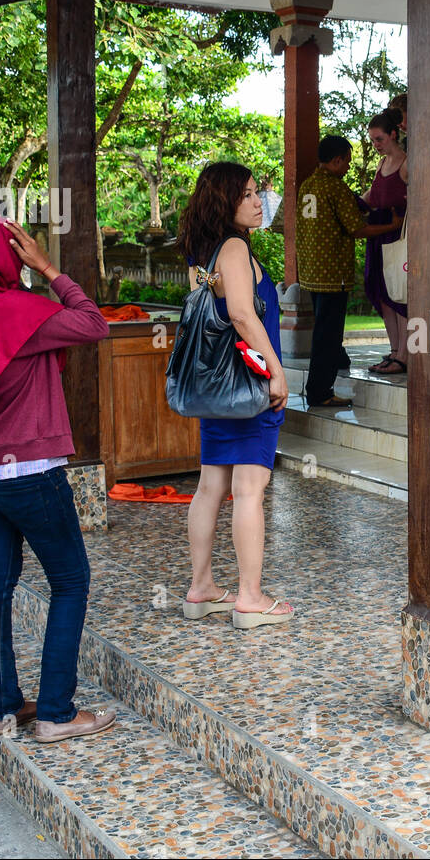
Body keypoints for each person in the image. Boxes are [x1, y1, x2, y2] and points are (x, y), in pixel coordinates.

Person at [0, 216, 115, 742]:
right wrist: (49, 268)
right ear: (12, 254)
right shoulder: (21, 313)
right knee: (71, 582)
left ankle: (2, 707)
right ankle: (57, 713)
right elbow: (92, 323)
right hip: (28, 472)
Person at [179, 162, 293, 630]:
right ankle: (250, 597)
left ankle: (201, 588)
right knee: (249, 489)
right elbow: (243, 316)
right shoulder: (233, 247)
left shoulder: (201, 253)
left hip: (215, 388)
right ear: (225, 201)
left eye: (255, 193)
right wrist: (276, 372)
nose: (256, 201)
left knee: (210, 486)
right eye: (246, 194)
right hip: (248, 384)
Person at [295, 134, 402, 408]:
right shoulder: (335, 188)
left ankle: (331, 371)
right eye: (347, 163)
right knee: (327, 336)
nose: (347, 169)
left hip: (311, 273)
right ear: (337, 159)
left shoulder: (308, 185)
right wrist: (392, 226)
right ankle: (321, 392)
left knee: (323, 331)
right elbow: (358, 228)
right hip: (332, 275)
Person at [361, 107, 409, 375]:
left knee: (398, 295)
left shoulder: (406, 164)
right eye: (372, 140)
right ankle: (394, 351)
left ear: (393, 134)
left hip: (397, 238)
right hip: (378, 238)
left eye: (379, 139)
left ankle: (404, 355)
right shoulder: (381, 165)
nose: (376, 145)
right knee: (382, 296)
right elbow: (371, 195)